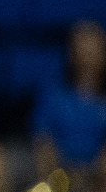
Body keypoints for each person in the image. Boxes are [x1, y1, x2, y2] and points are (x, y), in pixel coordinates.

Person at [35, 20, 106, 172]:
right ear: (71, 53)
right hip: (60, 175)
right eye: (83, 49)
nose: (88, 57)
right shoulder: (54, 95)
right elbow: (43, 137)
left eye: (93, 50)